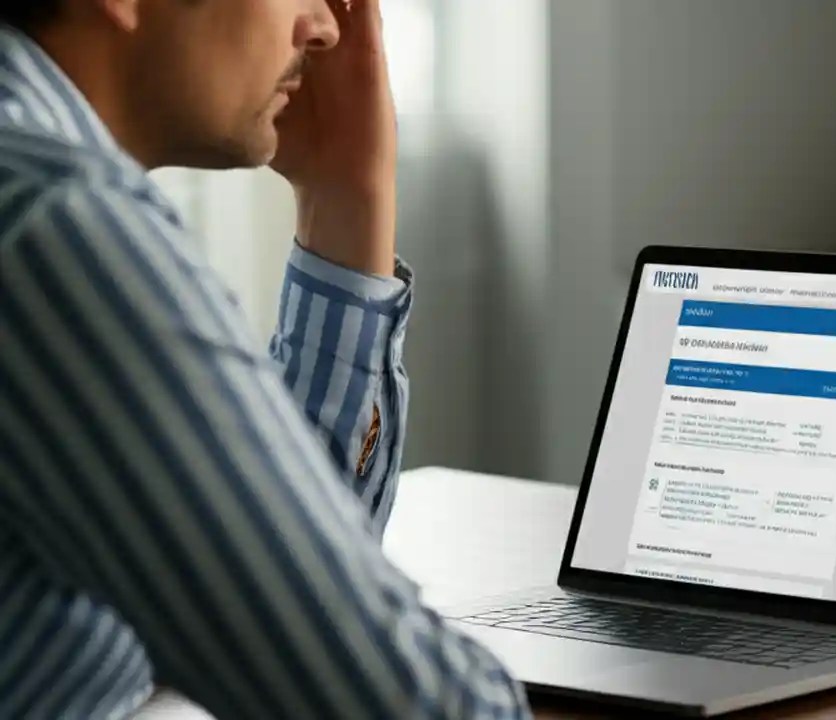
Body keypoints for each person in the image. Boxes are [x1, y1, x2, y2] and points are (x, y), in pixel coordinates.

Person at [0, 1, 529, 718]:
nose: (325, 27)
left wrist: (346, 198)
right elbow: (402, 700)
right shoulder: (55, 226)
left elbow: (267, 584)